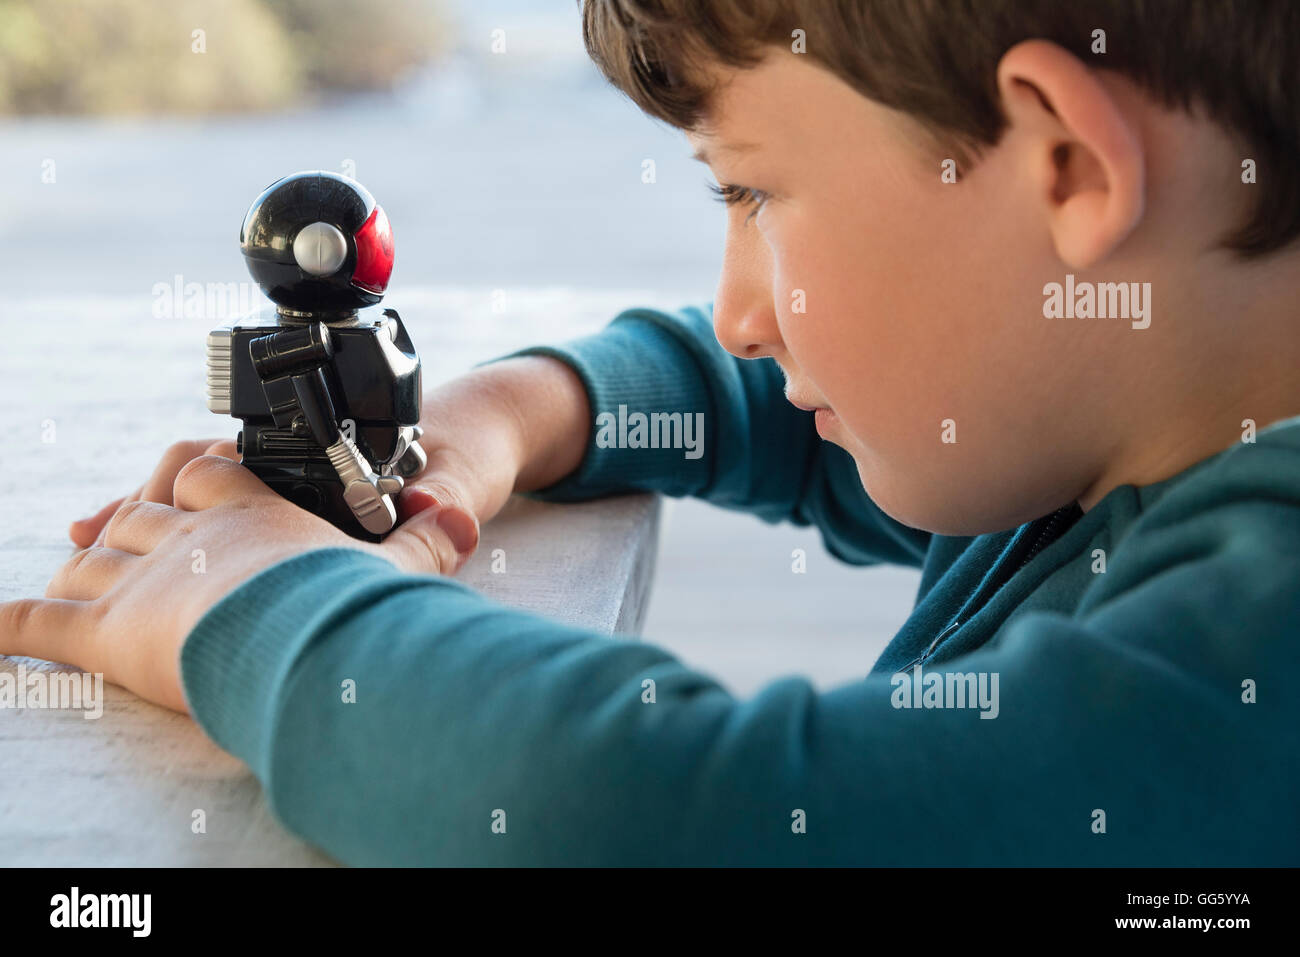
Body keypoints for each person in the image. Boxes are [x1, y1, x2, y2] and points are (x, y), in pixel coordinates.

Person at [4, 0, 1298, 864]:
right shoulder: (1119, 433)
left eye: (752, 189)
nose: (738, 312)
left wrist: (263, 603)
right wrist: (515, 409)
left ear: (1068, 164)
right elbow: (775, 413)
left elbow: (668, 811)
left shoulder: (1260, 648)